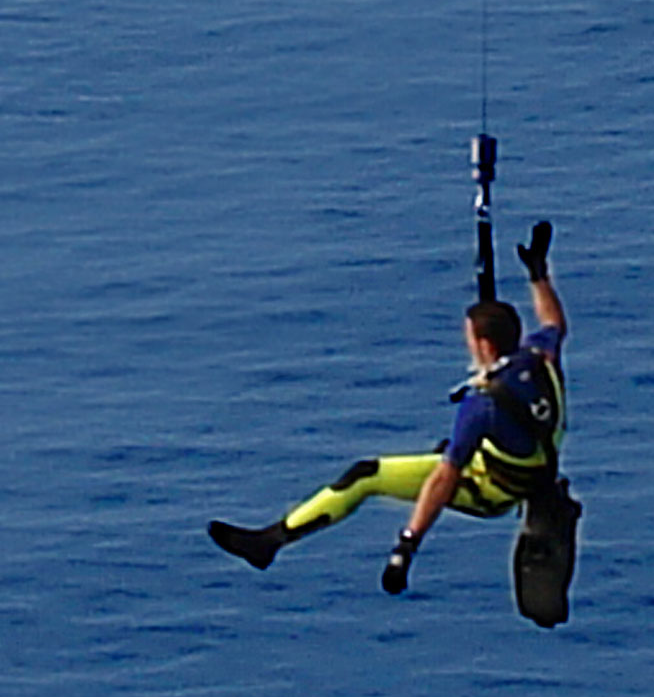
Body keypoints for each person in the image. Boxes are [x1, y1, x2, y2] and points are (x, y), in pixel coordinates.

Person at [210, 223, 566, 588]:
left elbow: (445, 479)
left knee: (366, 477)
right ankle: (270, 539)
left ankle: (268, 543)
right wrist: (538, 274)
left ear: (487, 347)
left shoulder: (481, 406)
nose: (468, 347)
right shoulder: (540, 357)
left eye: (470, 341)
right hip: (531, 462)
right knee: (448, 452)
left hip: (494, 488)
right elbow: (554, 321)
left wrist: (406, 545)